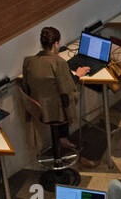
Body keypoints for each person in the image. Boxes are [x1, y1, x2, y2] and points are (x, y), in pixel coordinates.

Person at [23, 27, 86, 156]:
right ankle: (63, 138)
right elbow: (68, 89)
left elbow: (27, 86)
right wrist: (78, 75)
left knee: (58, 98)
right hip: (55, 112)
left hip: (37, 108)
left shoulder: (28, 61)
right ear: (56, 43)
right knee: (65, 101)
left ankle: (61, 138)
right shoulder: (59, 63)